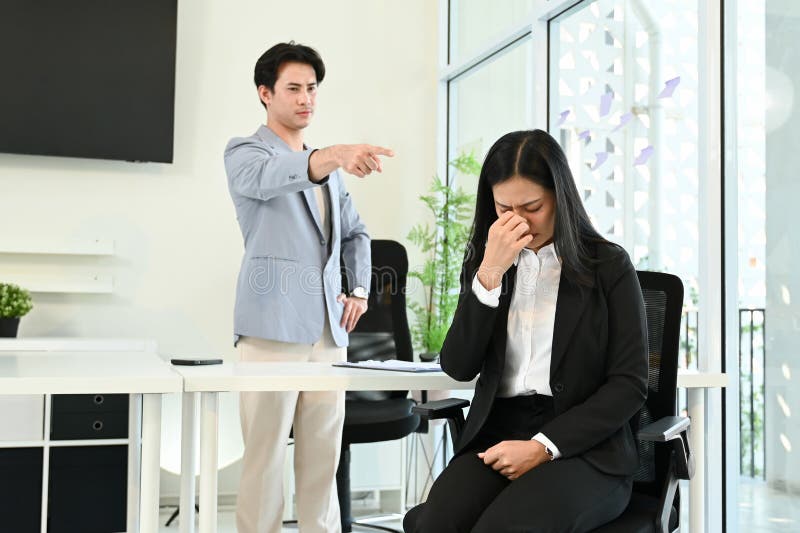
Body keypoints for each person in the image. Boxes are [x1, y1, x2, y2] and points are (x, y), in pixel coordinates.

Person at [403, 129, 648, 532]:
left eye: (532, 206)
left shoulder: (608, 266)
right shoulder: (491, 264)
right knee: (434, 525)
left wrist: (543, 447)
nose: (517, 220)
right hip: (497, 435)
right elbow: (459, 366)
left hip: (583, 447)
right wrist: (490, 273)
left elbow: (629, 384)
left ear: (559, 198)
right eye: (504, 208)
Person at [224, 42, 394, 533]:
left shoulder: (328, 174)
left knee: (322, 460)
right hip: (270, 331)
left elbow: (357, 232)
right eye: (294, 88)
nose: (306, 99)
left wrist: (359, 289)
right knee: (264, 459)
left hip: (327, 335)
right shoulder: (246, 152)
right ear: (265, 93)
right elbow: (272, 178)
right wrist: (334, 155)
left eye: (312, 89)